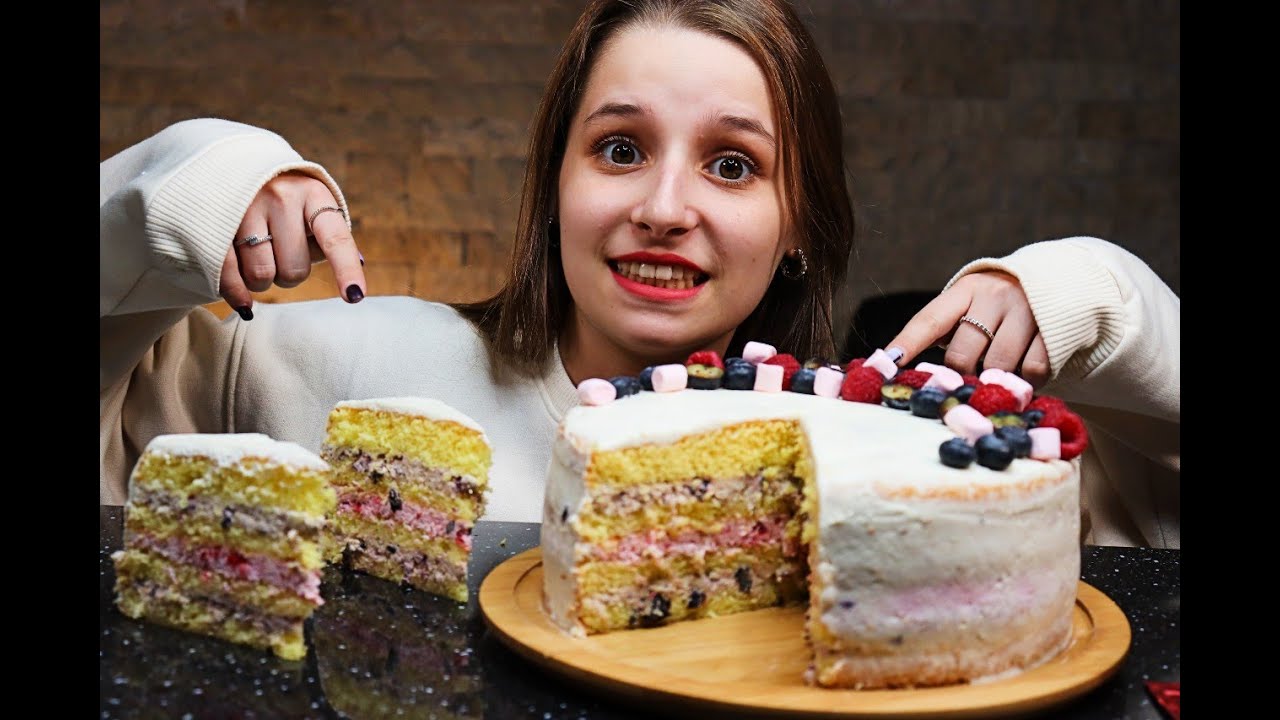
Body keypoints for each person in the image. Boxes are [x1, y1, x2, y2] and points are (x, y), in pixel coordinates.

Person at [100, 0, 1178, 548]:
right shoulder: (320, 363)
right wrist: (195, 181)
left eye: (731, 163)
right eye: (618, 148)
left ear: (797, 223)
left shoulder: (908, 465)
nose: (664, 208)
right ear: (554, 183)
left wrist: (1090, 290)